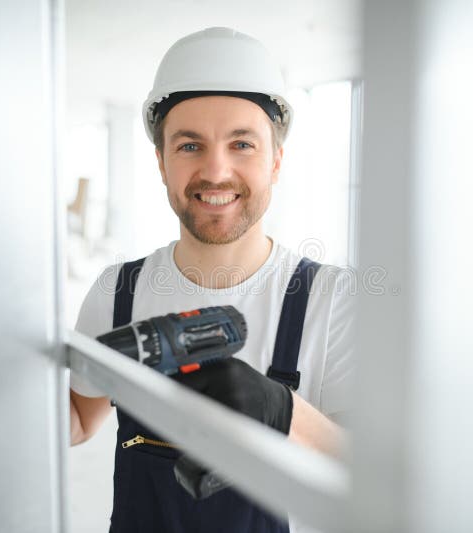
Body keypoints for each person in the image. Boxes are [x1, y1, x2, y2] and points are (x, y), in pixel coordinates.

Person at [69, 27, 354, 533]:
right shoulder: (117, 292)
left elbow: (369, 474)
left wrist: (280, 409)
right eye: (190, 145)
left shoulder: (331, 300)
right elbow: (78, 420)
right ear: (161, 162)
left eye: (242, 143)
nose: (216, 171)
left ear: (276, 161)